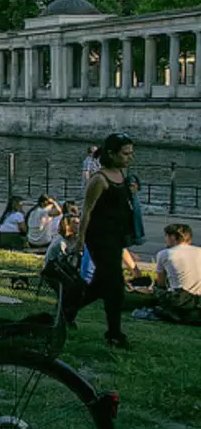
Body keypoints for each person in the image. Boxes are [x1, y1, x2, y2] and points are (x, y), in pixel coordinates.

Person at [77, 133, 137, 348]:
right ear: (111, 154)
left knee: (100, 285)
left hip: (116, 236)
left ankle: (66, 310)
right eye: (125, 153)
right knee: (115, 285)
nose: (129, 157)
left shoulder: (121, 173)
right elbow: (87, 211)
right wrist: (79, 241)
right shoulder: (99, 179)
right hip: (99, 238)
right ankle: (114, 333)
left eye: (131, 153)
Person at [147, 224, 201, 324]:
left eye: (166, 236)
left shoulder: (165, 253)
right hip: (198, 299)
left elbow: (160, 283)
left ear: (172, 237)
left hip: (180, 300)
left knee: (156, 290)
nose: (165, 240)